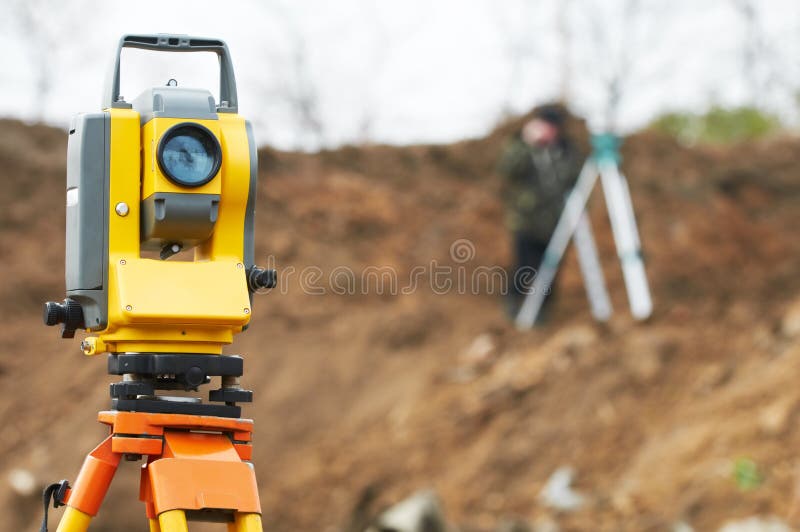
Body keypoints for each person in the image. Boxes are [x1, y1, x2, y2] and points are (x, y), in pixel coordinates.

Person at [497, 104, 583, 322]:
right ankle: (514, 303)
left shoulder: (566, 151)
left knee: (550, 269)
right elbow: (508, 170)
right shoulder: (522, 147)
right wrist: (528, 143)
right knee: (524, 267)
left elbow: (577, 181)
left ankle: (542, 311)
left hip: (556, 223)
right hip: (527, 221)